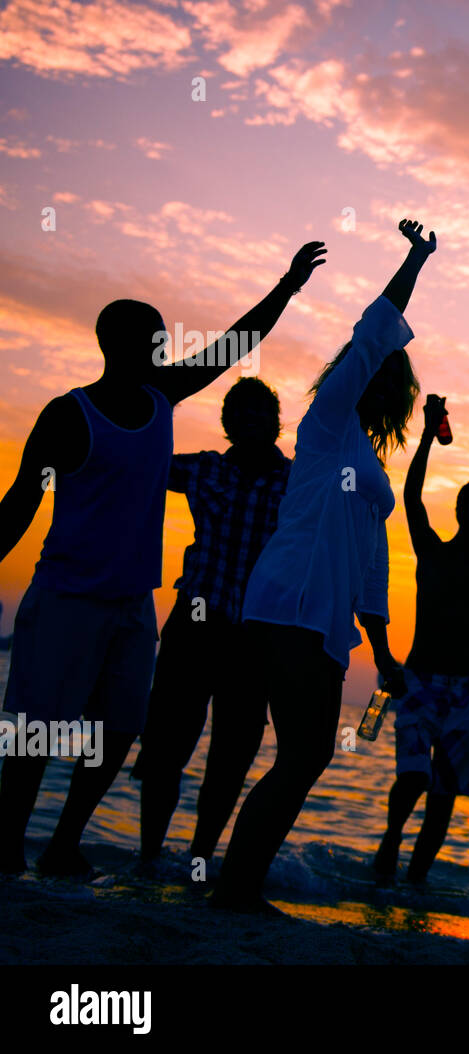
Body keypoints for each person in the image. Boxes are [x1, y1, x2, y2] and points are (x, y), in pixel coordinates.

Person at [0, 241, 326, 875]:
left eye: (161, 338)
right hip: (66, 593)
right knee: (34, 731)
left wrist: (287, 288)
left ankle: (64, 842)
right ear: (113, 345)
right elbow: (16, 505)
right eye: (151, 338)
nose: (162, 348)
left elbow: (234, 344)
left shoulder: (161, 397)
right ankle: (7, 845)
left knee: (119, 732)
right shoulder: (70, 414)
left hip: (132, 601)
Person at [212, 219, 435, 912]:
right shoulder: (328, 422)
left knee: (304, 757)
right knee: (303, 755)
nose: (398, 390)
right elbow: (372, 334)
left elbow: (374, 568)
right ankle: (235, 888)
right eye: (392, 378)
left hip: (324, 619)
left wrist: (386, 653)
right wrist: (414, 260)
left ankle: (237, 885)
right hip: (288, 602)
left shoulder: (367, 463)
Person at [130, 377, 293, 867]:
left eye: (258, 412)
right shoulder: (202, 469)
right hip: (195, 623)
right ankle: (148, 857)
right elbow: (137, 463)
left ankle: (201, 861)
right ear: (226, 424)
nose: (248, 420)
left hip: (254, 638)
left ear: (275, 421)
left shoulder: (297, 483)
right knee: (165, 748)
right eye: (238, 413)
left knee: (231, 756)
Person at [373, 393, 469, 883]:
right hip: (417, 682)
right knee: (415, 777)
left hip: (464, 692)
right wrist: (426, 435)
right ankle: (391, 842)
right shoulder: (432, 552)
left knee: (444, 793)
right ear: (460, 508)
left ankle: (416, 881)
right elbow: (413, 497)